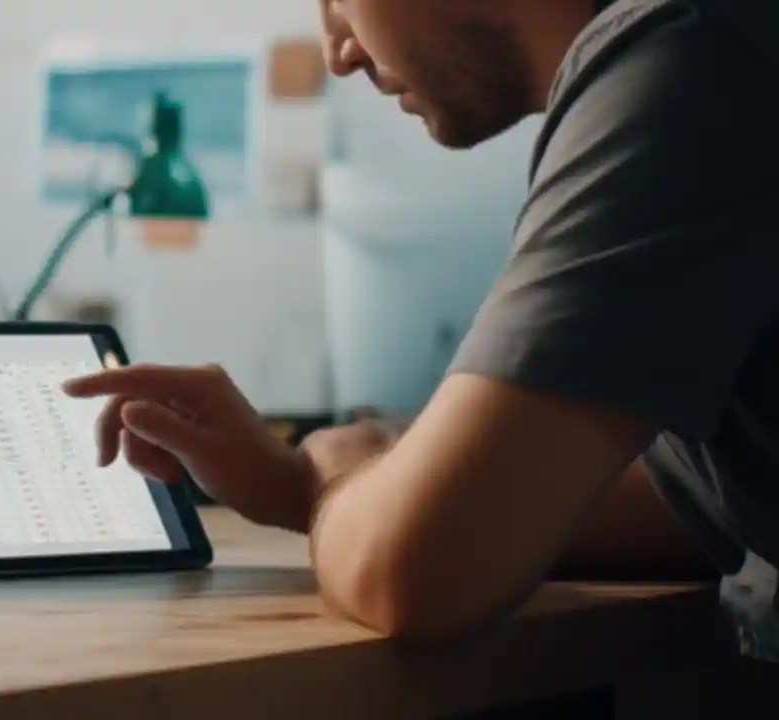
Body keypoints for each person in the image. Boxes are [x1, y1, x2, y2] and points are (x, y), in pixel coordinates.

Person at [63, 0, 779, 658]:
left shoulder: (688, 53)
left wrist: (341, 503)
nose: (336, 48)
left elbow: (414, 572)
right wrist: (314, 482)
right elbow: (685, 508)